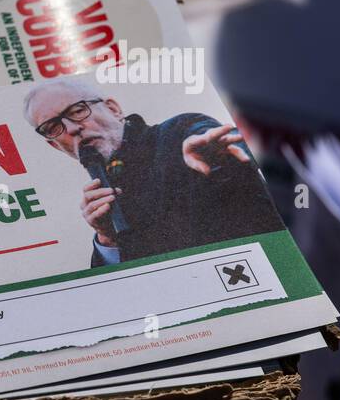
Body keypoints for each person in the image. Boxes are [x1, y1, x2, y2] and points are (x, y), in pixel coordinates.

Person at [22, 78, 285, 267]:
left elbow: (228, 150)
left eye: (78, 111)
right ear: (54, 145)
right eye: (53, 127)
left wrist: (219, 161)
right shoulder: (103, 201)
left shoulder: (181, 131)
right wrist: (108, 240)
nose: (71, 128)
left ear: (113, 108)